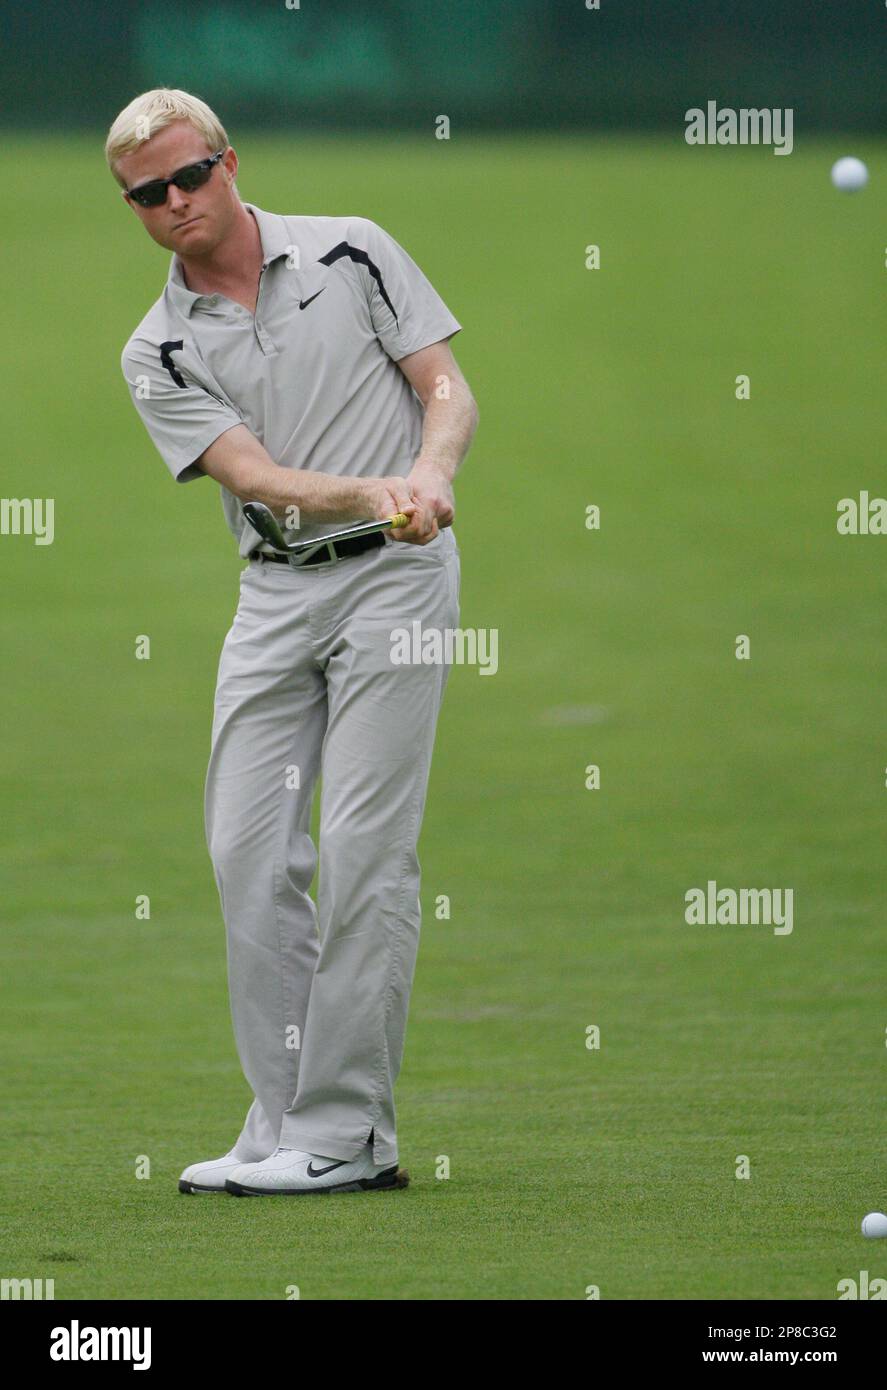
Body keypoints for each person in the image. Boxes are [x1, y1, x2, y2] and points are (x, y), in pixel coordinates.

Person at [107, 88, 478, 1196]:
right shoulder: (156, 349)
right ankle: (280, 1122)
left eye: (188, 175)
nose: (175, 202)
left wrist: (433, 472)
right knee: (246, 852)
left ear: (227, 161)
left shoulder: (354, 253)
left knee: (367, 847)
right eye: (146, 195)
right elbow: (258, 480)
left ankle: (349, 1135)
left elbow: (443, 384)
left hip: (397, 583)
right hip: (275, 592)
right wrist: (373, 486)